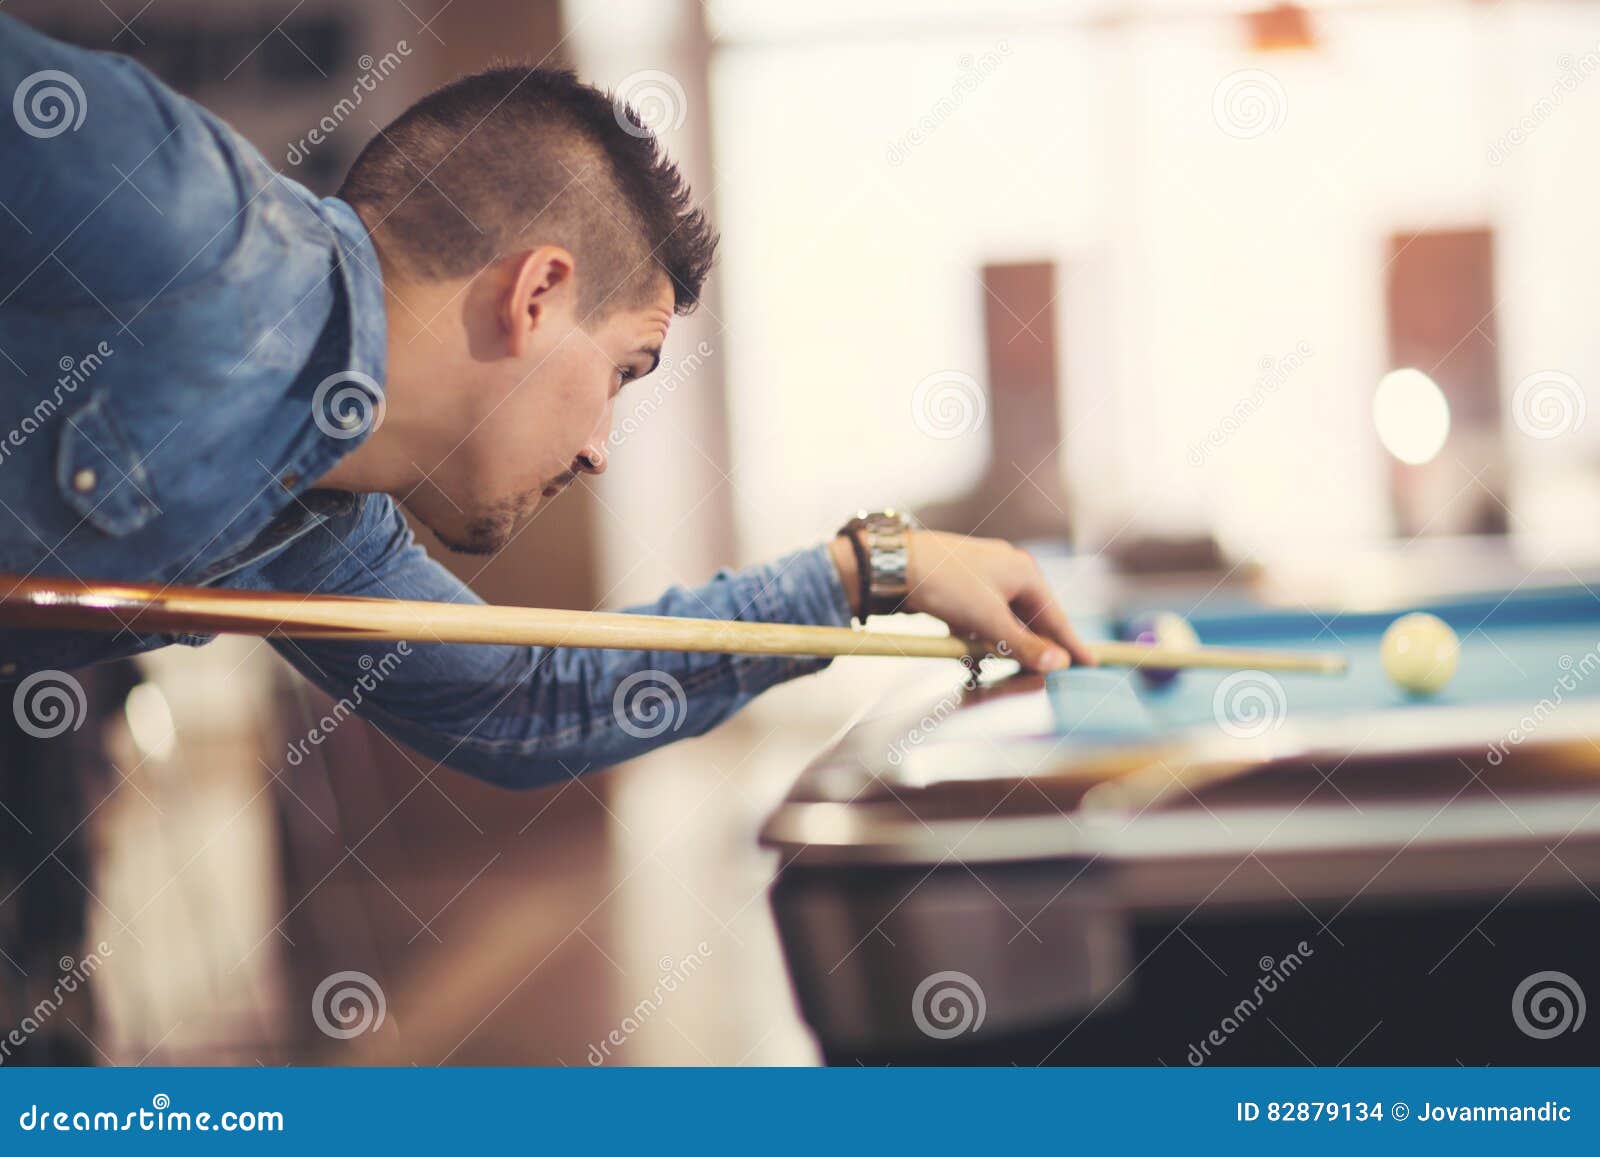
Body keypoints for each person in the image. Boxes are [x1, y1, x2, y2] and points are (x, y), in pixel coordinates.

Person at [0, 14, 1090, 788]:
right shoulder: (170, 202)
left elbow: (531, 700)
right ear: (536, 293)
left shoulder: (324, 525)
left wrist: (869, 570)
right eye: (624, 369)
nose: (601, 449)